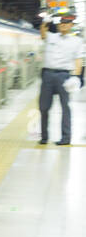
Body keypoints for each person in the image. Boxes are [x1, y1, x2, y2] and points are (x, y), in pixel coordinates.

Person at [38, 12, 84, 145]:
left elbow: (78, 60)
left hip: (64, 76)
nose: (63, 25)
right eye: (61, 23)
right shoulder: (51, 37)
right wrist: (45, 22)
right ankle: (44, 136)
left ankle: (65, 138)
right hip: (47, 75)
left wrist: (76, 76)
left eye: (66, 23)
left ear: (71, 25)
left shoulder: (77, 41)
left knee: (65, 107)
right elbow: (42, 33)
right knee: (44, 107)